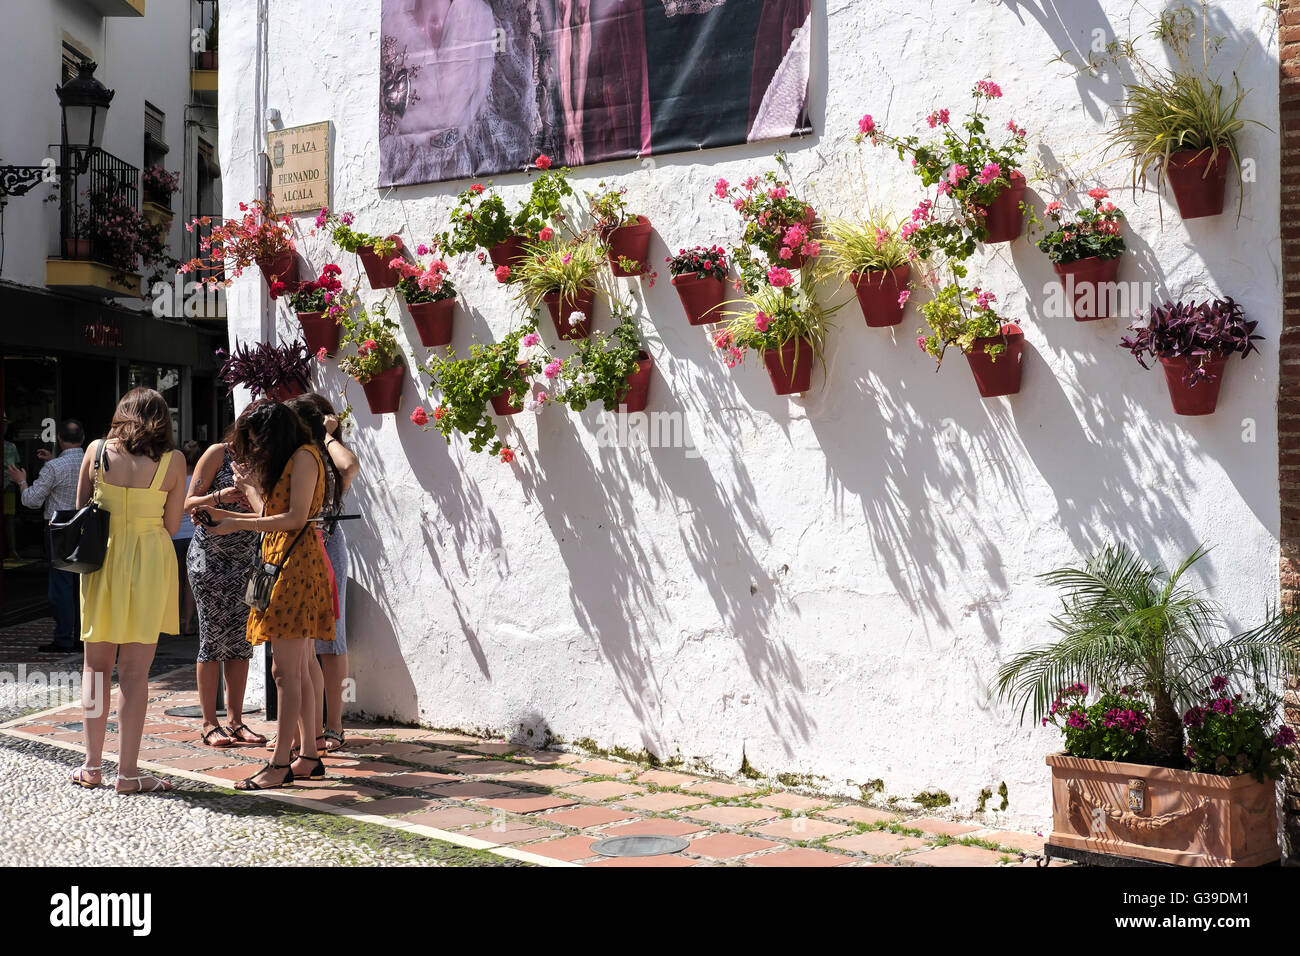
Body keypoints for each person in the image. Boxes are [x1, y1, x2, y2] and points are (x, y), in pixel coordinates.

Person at [200, 400, 334, 789]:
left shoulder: (305, 457)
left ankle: (280, 764)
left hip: (294, 566)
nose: (256, 447)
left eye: (259, 439)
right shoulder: (298, 457)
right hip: (281, 562)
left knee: (286, 673)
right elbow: (276, 515)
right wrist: (247, 492)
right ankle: (307, 755)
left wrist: (233, 520)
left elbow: (294, 519)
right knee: (300, 670)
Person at [71, 389, 186, 793]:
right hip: (150, 563)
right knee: (135, 675)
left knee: (95, 669)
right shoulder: (173, 462)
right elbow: (173, 527)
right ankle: (129, 773)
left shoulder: (97, 450)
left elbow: (81, 510)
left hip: (102, 562)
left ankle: (90, 766)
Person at [287, 394, 359, 754]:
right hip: (295, 549)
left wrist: (327, 436)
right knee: (298, 645)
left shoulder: (328, 457)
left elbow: (350, 467)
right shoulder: (292, 455)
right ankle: (303, 729)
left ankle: (335, 725)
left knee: (333, 640)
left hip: (327, 545)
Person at [183, 424, 262, 747]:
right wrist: (221, 496)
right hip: (209, 558)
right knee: (212, 639)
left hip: (247, 558)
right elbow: (190, 504)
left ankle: (236, 721)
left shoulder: (265, 461)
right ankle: (208, 722)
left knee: (241, 641)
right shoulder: (219, 453)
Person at [8, 419, 86, 653]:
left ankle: (63, 638)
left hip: (59, 527)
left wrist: (21, 481)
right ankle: (83, 637)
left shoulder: (54, 468)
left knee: (61, 586)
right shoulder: (91, 462)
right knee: (82, 584)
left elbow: (32, 500)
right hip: (85, 526)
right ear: (83, 438)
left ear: (59, 440)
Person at [173, 440, 204, 636]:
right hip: (196, 535)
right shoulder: (200, 481)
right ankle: (188, 624)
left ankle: (175, 622)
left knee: (174, 581)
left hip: (174, 535)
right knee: (192, 582)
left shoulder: (175, 479)